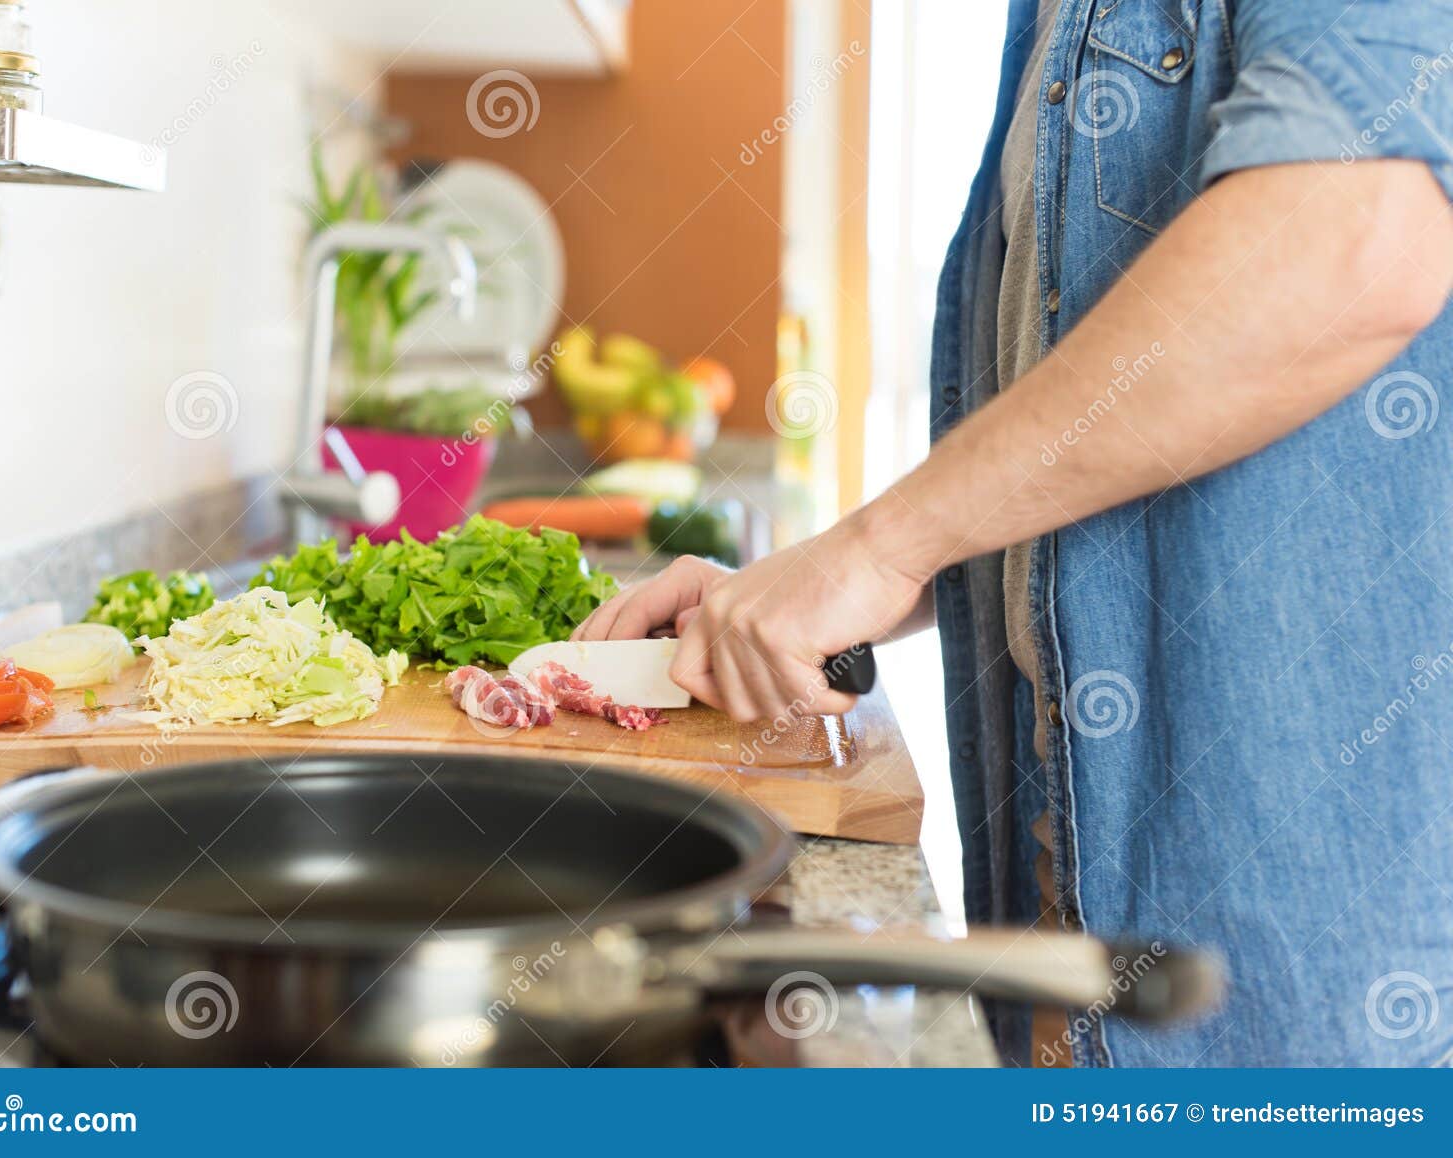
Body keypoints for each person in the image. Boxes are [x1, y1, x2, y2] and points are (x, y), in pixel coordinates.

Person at [575, 0, 1453, 1067]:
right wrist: (826, 582)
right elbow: (1113, 440)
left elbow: (1350, 234)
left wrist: (879, 547)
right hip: (1067, 907)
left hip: (1290, 965)